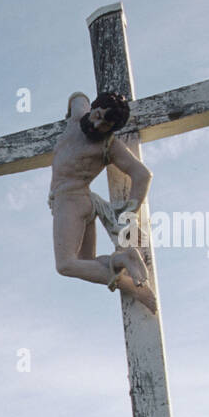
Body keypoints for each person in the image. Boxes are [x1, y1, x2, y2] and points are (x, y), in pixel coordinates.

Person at [48, 91, 157, 313]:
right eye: (97, 114)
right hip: (76, 203)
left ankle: (130, 284)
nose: (97, 125)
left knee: (65, 265)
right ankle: (121, 260)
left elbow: (142, 174)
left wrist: (129, 214)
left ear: (113, 128)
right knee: (86, 262)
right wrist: (71, 107)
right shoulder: (77, 117)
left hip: (71, 202)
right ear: (93, 108)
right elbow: (78, 96)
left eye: (106, 124)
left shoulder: (108, 145)